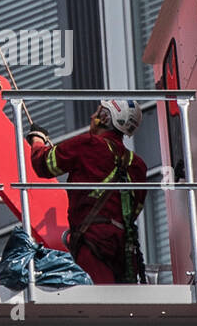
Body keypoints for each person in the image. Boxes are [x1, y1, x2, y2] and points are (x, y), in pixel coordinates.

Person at [26, 99, 148, 284]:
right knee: (120, 300)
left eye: (98, 112)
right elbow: (134, 209)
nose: (93, 116)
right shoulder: (137, 165)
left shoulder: (88, 144)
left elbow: (43, 165)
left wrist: (37, 139)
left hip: (92, 242)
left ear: (105, 118)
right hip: (125, 249)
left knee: (97, 299)